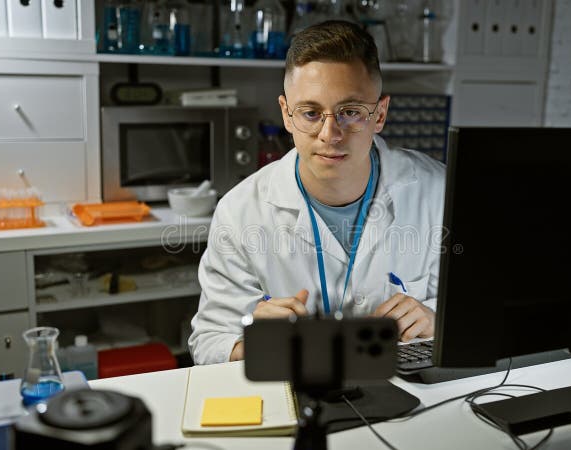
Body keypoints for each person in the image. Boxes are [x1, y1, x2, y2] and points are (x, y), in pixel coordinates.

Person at [189, 20, 446, 365]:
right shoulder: (239, 212)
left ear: (380, 114)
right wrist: (256, 342)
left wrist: (436, 321)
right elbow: (209, 343)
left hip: (407, 392)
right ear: (287, 114)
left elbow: (482, 311)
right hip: (291, 388)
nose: (330, 134)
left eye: (351, 112)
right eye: (310, 113)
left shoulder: (439, 191)